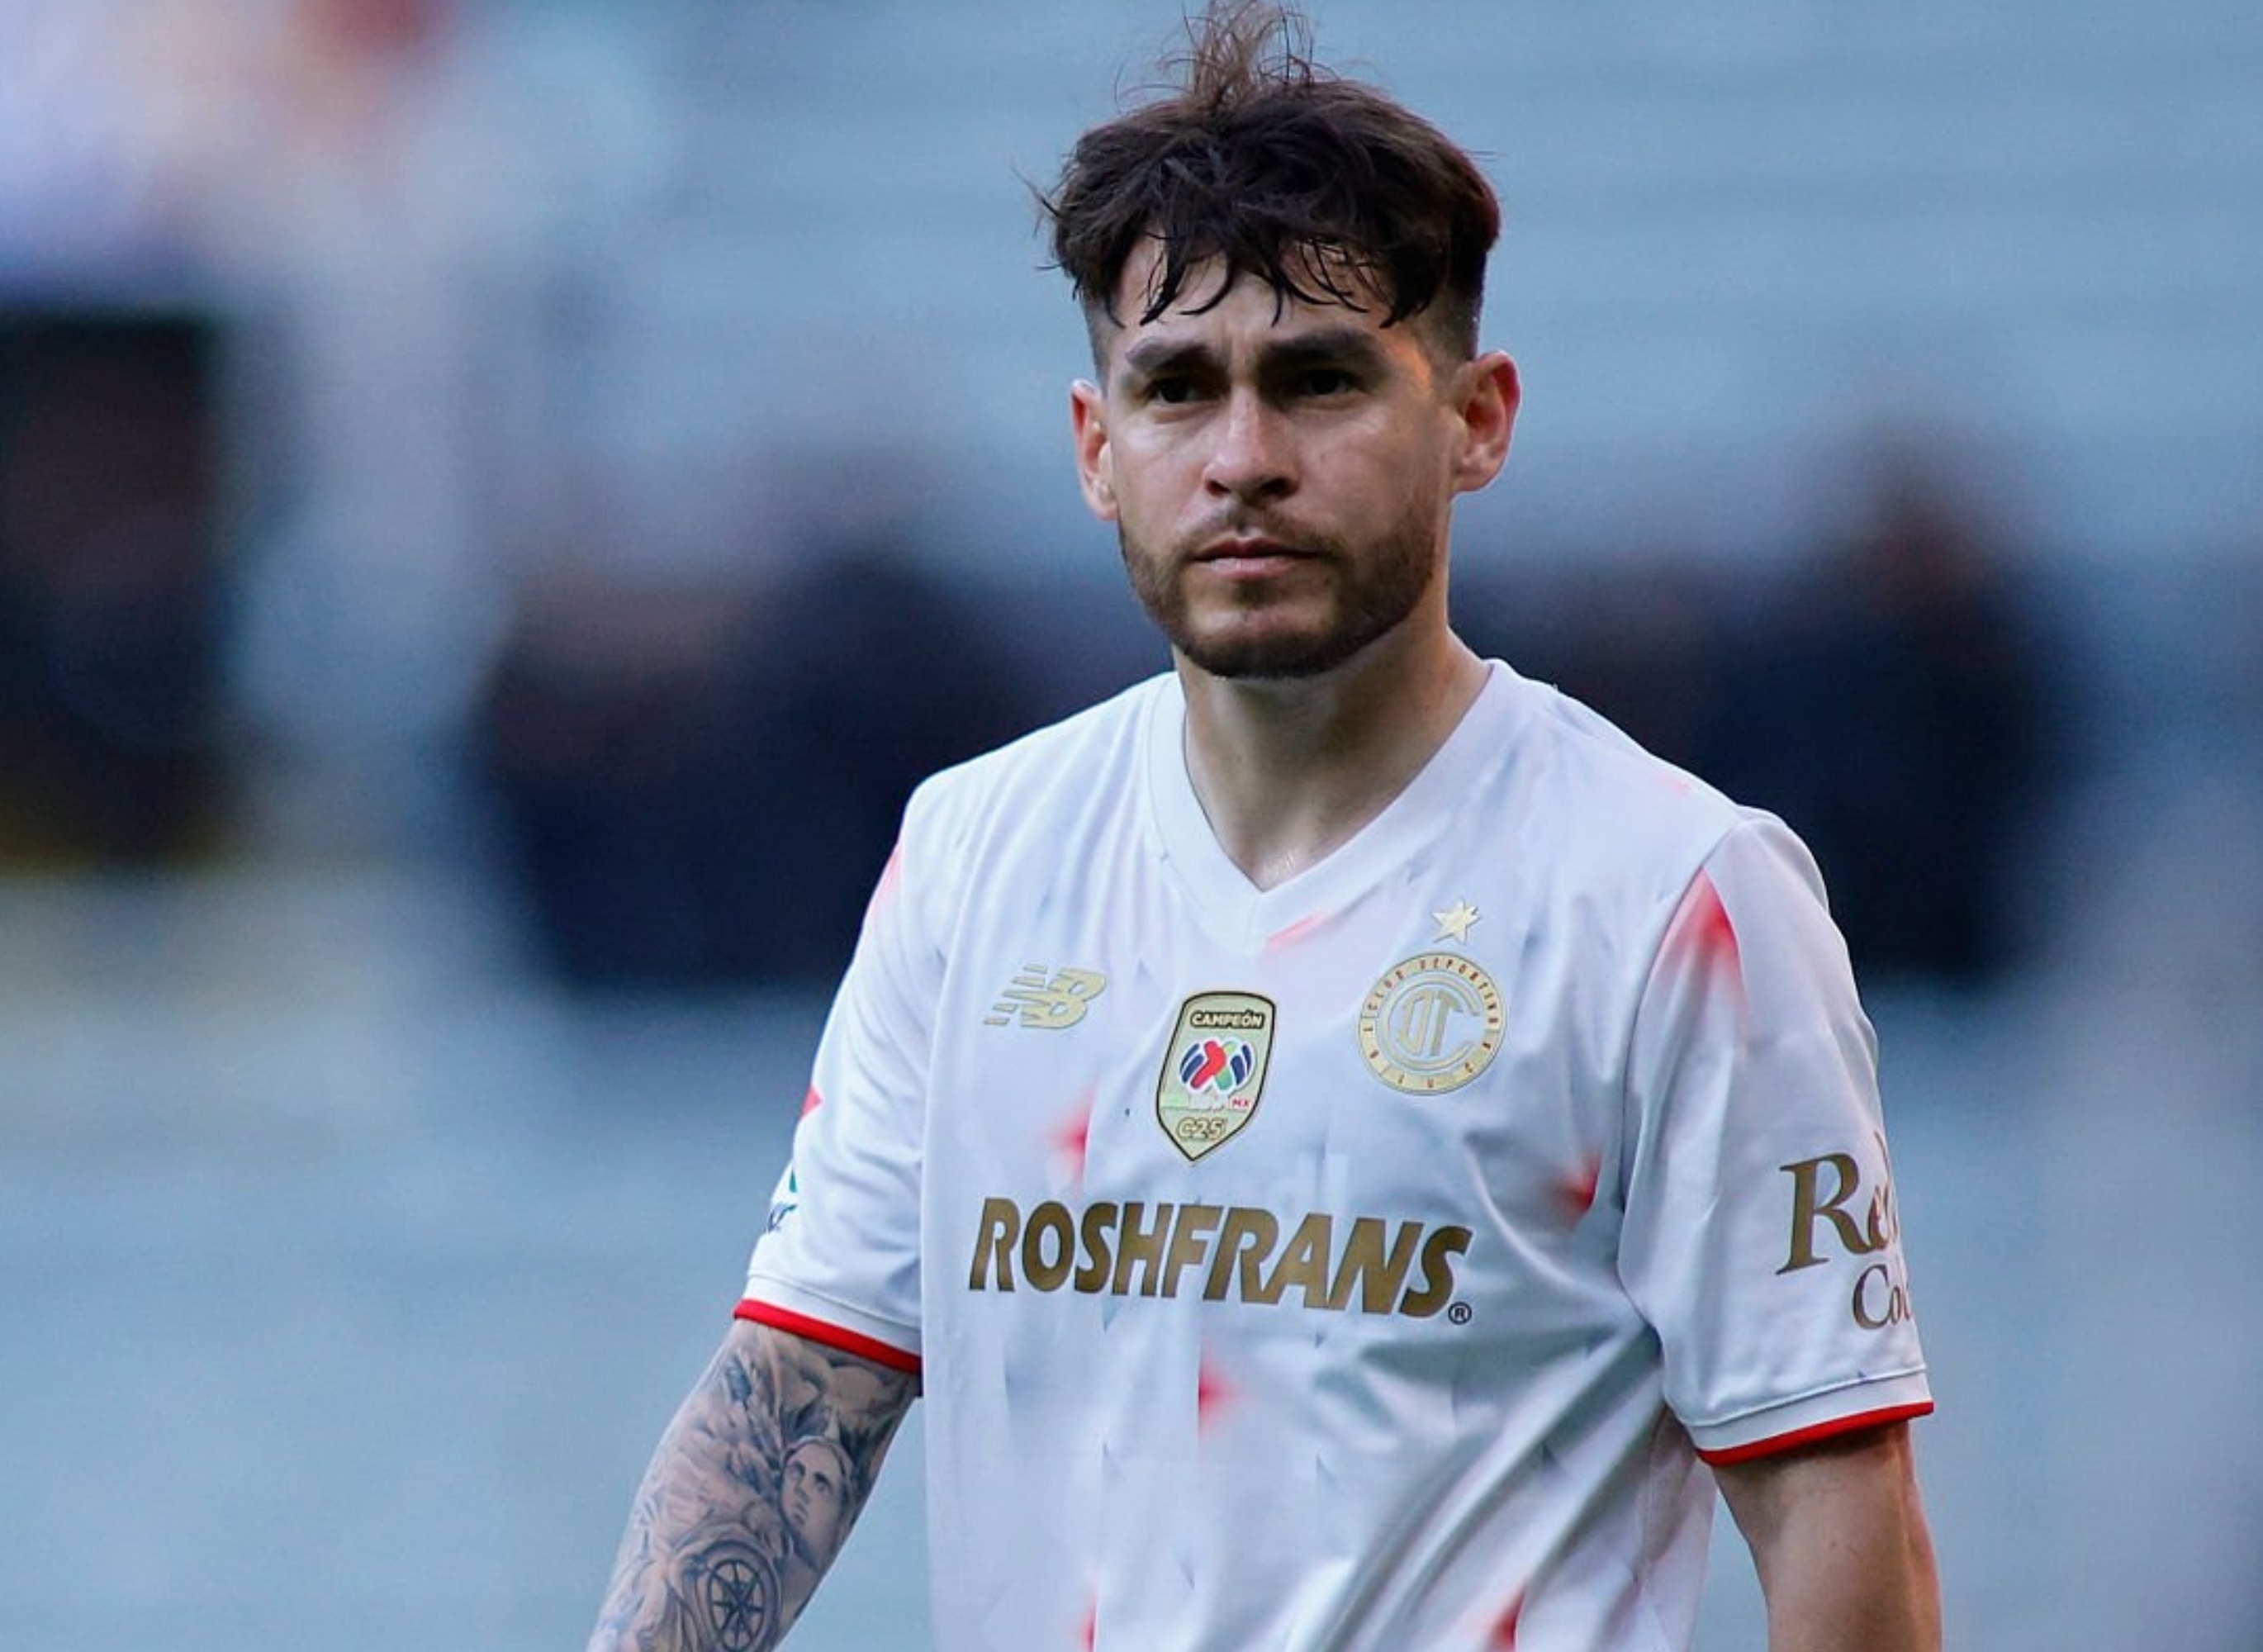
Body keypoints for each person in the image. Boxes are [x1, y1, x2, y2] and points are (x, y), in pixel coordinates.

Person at [587, 5, 1941, 1648]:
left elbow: (1832, 1513)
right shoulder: (975, 855)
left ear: (1475, 419)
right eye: (1176, 388)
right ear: (1098, 449)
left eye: (1315, 382)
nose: (1242, 459)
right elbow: (798, 1393)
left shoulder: (1673, 895)